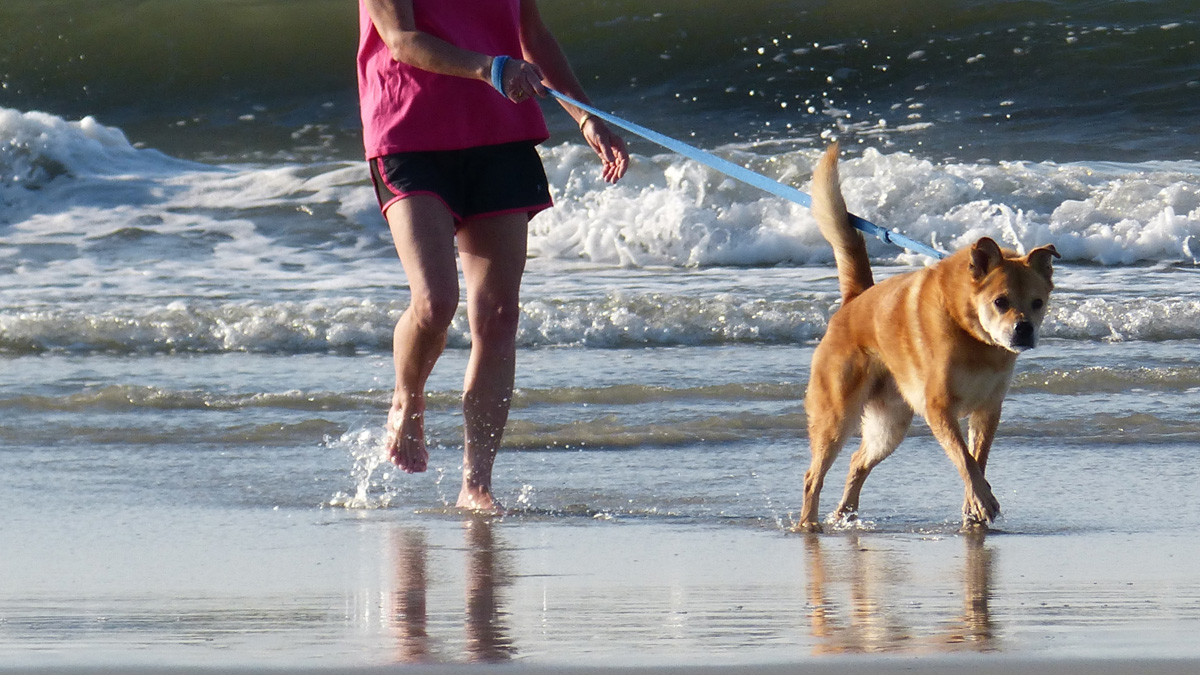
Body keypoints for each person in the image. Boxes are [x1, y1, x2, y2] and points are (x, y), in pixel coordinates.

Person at [358, 0, 629, 512]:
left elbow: (533, 36)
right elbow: (400, 40)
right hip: (409, 131)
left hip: (500, 134)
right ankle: (407, 396)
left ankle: (476, 484)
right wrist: (490, 67)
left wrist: (585, 117)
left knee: (499, 315)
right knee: (436, 303)